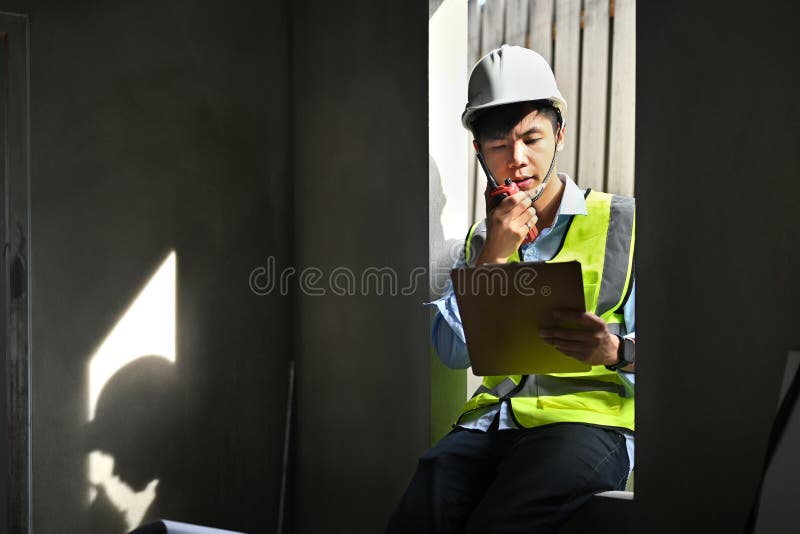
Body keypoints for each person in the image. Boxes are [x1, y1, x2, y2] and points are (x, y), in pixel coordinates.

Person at [386, 44, 636, 533]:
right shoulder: (483, 239)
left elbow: (685, 360)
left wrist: (615, 349)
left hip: (588, 424)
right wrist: (493, 256)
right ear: (479, 151)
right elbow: (453, 352)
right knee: (421, 507)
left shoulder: (624, 222)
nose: (517, 160)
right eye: (499, 146)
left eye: (532, 139)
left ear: (559, 135)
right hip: (493, 421)